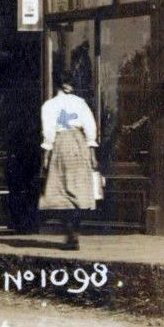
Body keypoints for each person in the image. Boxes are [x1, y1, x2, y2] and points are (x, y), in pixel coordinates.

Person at [39, 76, 99, 250]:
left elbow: (49, 131)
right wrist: (91, 151)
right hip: (79, 144)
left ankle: (70, 233)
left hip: (61, 145)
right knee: (78, 190)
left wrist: (46, 154)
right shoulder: (80, 103)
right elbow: (90, 126)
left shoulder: (49, 105)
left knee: (62, 191)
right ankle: (74, 234)